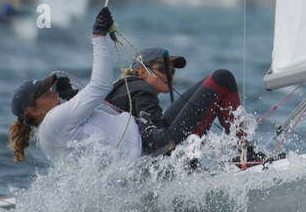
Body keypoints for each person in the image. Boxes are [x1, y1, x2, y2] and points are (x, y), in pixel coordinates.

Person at [8, 7, 261, 165]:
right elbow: (100, 86)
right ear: (32, 110)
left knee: (217, 82)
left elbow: (96, 118)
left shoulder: (52, 130)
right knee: (222, 79)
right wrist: (99, 36)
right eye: (45, 91)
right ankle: (246, 158)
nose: (51, 92)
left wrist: (71, 95)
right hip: (152, 150)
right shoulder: (53, 122)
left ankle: (237, 157)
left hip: (146, 149)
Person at [105, 48, 261, 158]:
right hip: (158, 160)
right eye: (163, 69)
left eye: (172, 72)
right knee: (223, 78)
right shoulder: (140, 88)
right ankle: (245, 154)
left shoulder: (124, 89)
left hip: (144, 157)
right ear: (142, 71)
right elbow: (156, 141)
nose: (170, 76)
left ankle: (241, 154)